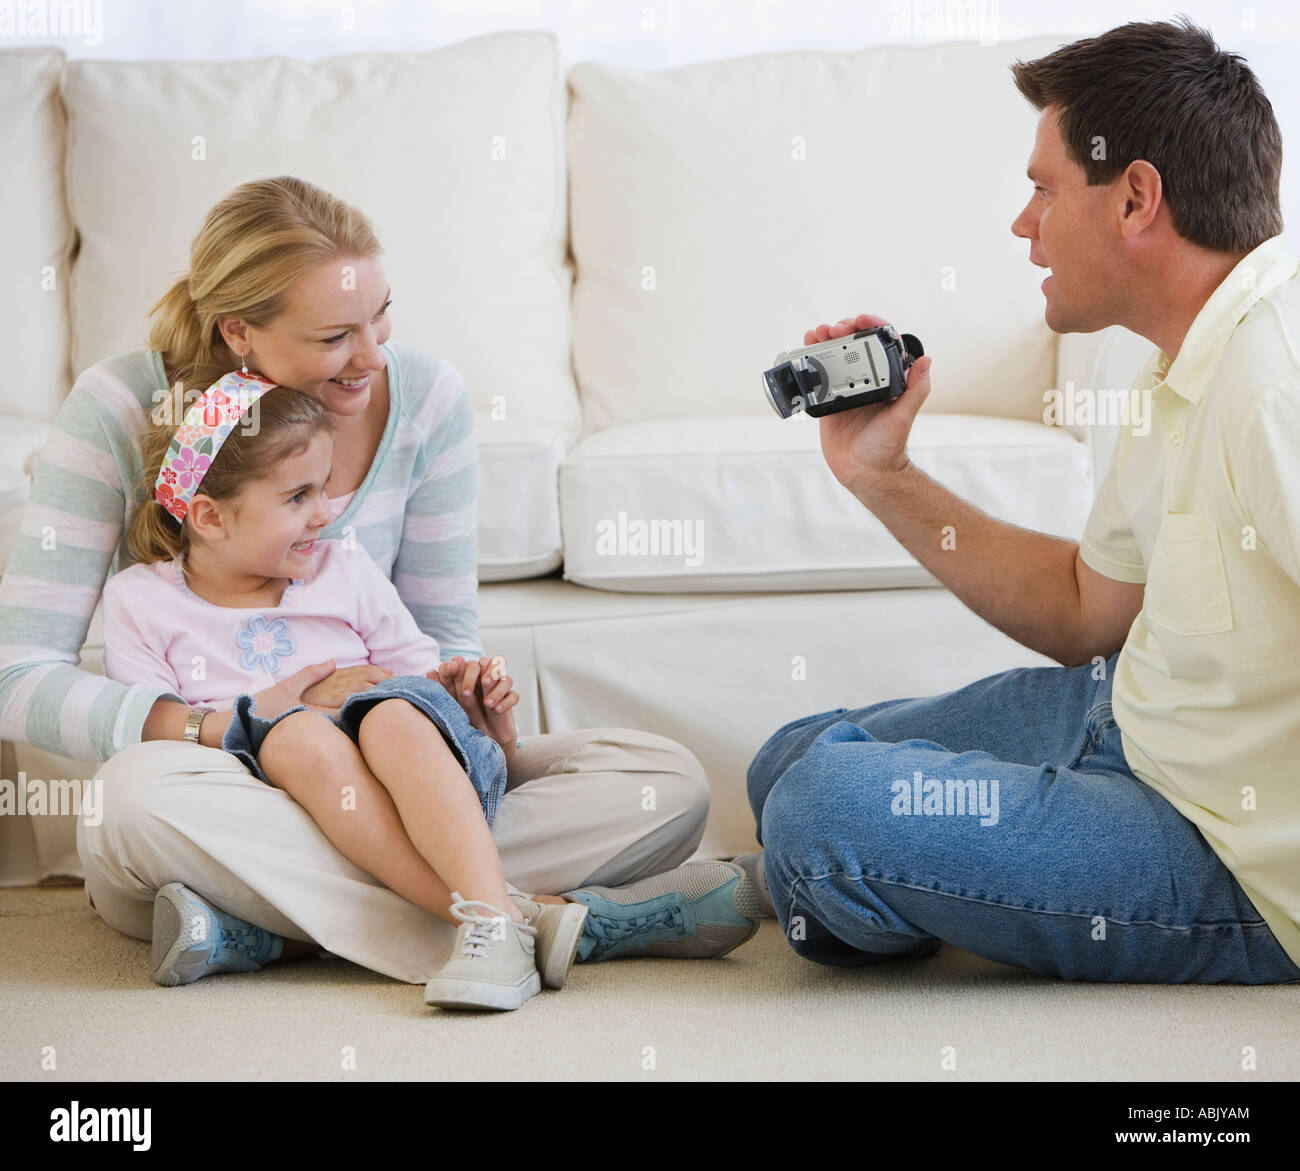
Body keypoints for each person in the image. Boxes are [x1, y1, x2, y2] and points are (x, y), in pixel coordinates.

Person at [0, 175, 758, 989]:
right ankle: (527, 914)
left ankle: (268, 924)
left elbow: (437, 639)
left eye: (380, 317)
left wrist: (466, 701)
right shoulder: (118, 407)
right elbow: (18, 678)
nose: (371, 356)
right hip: (226, 783)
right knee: (132, 803)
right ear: (239, 331)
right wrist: (232, 726)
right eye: (333, 338)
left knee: (664, 783)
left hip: (387, 770)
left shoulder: (427, 398)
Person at [741, 17, 1300, 984]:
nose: (1022, 223)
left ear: (1135, 199)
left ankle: (892, 880)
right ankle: (910, 880)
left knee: (821, 810)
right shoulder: (1172, 361)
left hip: (1226, 848)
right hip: (1126, 717)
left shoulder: (1276, 371)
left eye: (1042, 189)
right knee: (784, 760)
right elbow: (1086, 609)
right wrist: (883, 472)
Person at [103, 368, 594, 1011]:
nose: (325, 512)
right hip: (264, 811)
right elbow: (156, 738)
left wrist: (475, 709)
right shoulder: (142, 600)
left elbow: (419, 681)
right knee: (279, 740)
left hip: (407, 783)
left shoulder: (345, 569)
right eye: (298, 496)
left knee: (392, 715)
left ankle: (289, 929)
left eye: (325, 489)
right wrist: (277, 710)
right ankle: (501, 912)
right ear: (209, 517)